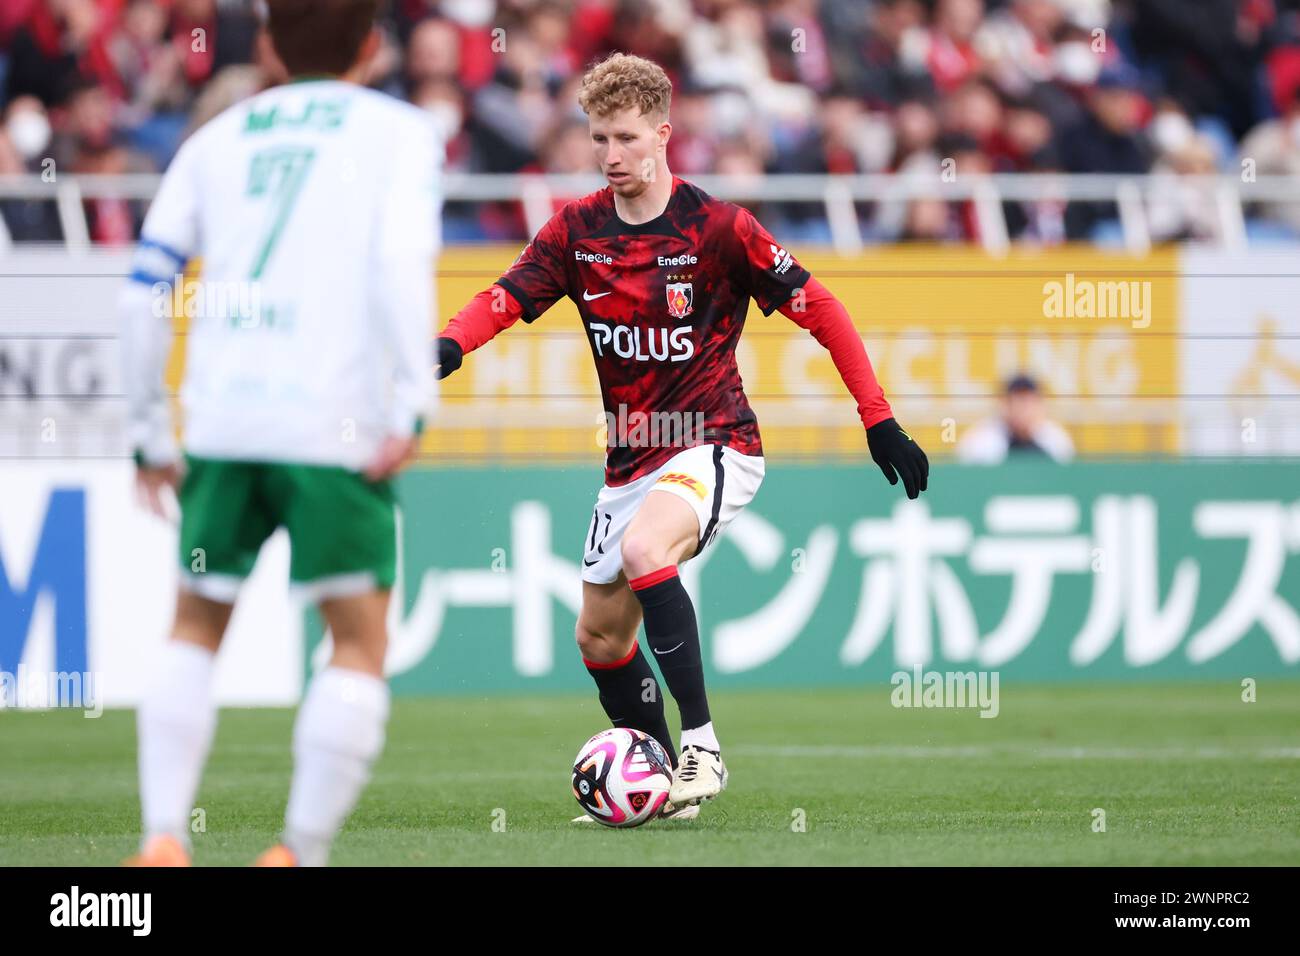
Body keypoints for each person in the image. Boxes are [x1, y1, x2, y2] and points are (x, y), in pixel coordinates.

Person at [434, 52, 928, 820]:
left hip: (716, 439)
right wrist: (449, 346)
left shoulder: (719, 228)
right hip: (630, 458)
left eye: (626, 138)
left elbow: (823, 310)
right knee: (599, 639)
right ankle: (664, 782)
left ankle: (702, 746)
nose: (610, 156)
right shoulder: (578, 231)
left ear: (664, 134)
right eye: (598, 140)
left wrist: (880, 420)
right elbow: (503, 298)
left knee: (643, 555)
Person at [119, 0, 439, 866]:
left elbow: (141, 288)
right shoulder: (401, 133)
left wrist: (151, 433)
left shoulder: (214, 140)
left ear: (265, 46)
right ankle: (295, 850)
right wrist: (412, 402)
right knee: (358, 640)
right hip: (332, 424)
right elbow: (401, 267)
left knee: (194, 625)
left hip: (222, 420)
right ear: (373, 48)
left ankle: (160, 838)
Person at [957, 373, 1074, 463]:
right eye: (1017, 402)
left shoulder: (1055, 439)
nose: (1023, 410)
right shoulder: (981, 440)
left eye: (1028, 403)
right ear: (1005, 405)